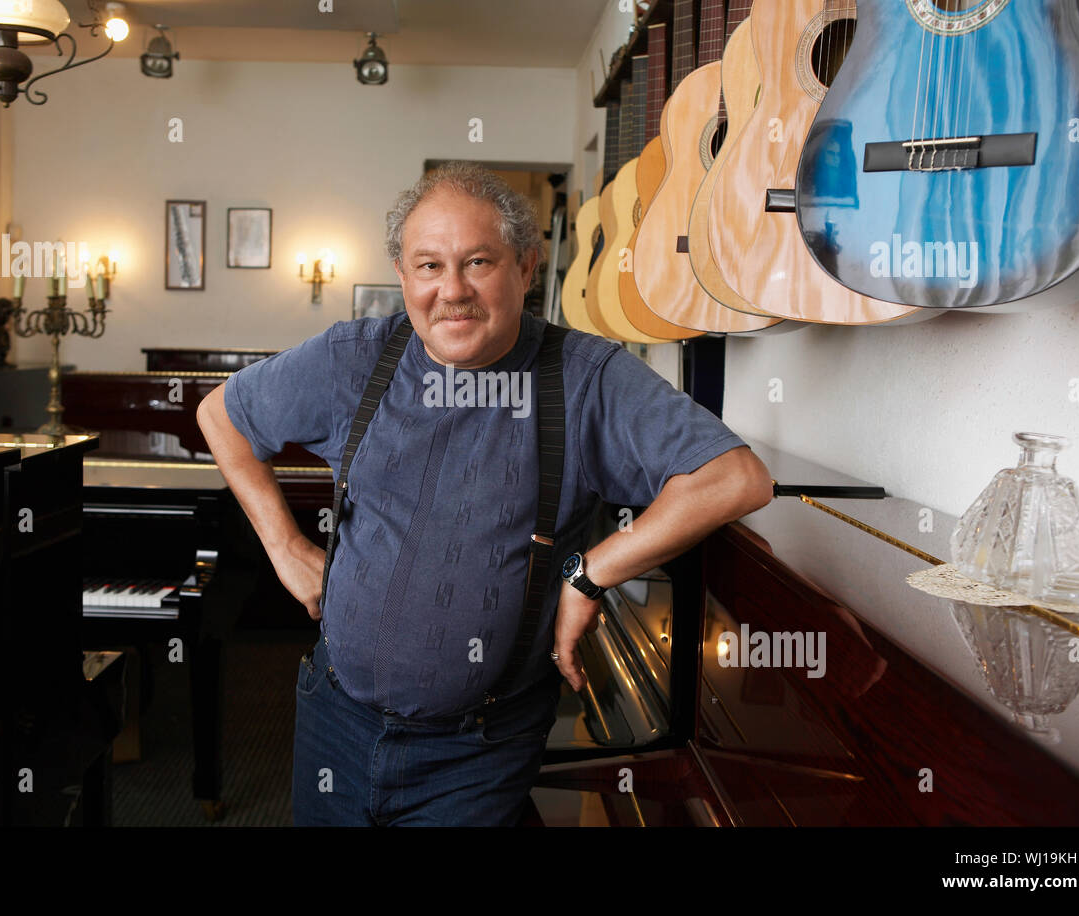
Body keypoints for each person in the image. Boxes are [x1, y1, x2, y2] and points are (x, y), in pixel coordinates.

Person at [196, 161, 774, 826]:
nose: (452, 291)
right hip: (335, 717)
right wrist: (284, 546)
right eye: (428, 266)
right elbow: (222, 416)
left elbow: (735, 478)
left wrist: (593, 573)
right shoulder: (350, 359)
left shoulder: (587, 379)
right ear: (403, 276)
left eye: (478, 262)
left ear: (526, 268)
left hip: (477, 752)